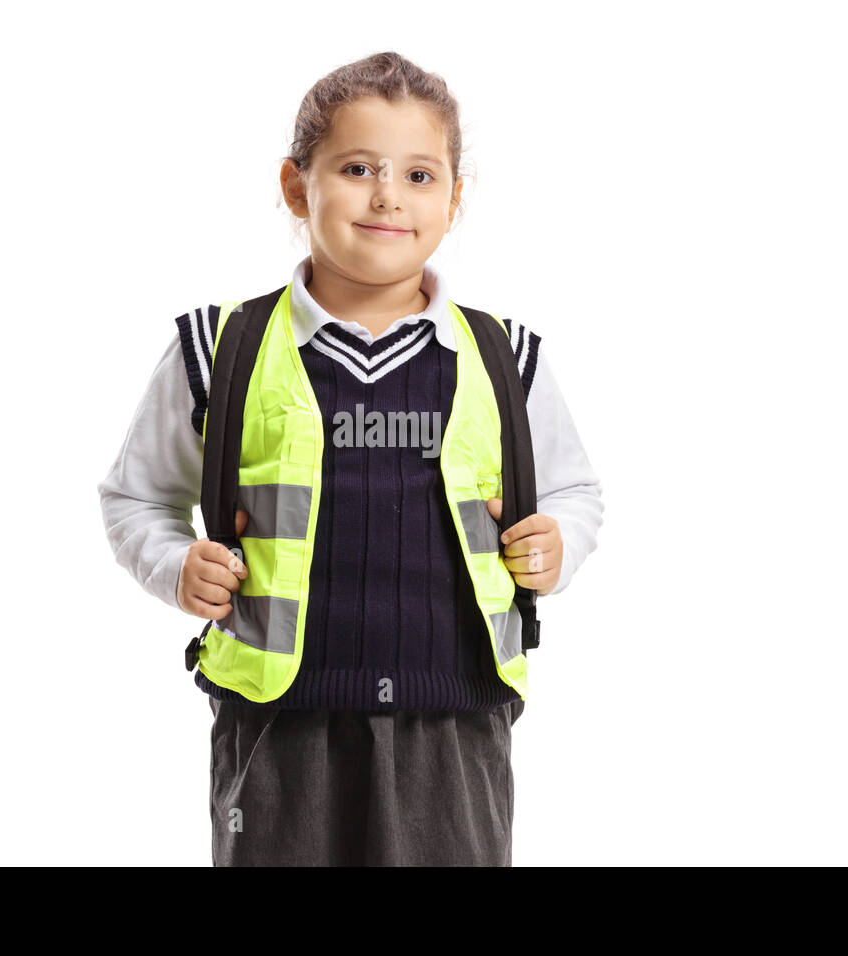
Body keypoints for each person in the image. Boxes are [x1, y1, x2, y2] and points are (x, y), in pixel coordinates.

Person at [97, 51, 603, 866]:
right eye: (358, 167)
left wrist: (557, 543)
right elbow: (135, 499)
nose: (386, 196)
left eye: (419, 175)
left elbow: (574, 488)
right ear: (297, 186)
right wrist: (172, 565)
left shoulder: (503, 356)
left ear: (456, 199)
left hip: (457, 721)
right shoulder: (222, 350)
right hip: (276, 726)